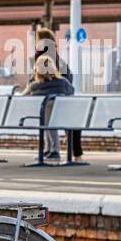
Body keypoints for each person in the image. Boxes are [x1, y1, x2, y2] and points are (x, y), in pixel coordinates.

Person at [33, 26, 82, 159]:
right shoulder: (55, 56)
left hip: (56, 95)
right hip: (64, 94)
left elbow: (43, 79)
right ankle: (53, 149)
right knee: (51, 120)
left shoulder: (45, 56)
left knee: (49, 120)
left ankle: (53, 149)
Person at [25, 50, 74, 160]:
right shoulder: (63, 82)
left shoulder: (36, 86)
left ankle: (54, 150)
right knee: (48, 122)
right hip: (65, 113)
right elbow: (71, 91)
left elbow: (23, 96)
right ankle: (49, 149)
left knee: (48, 122)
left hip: (46, 113)